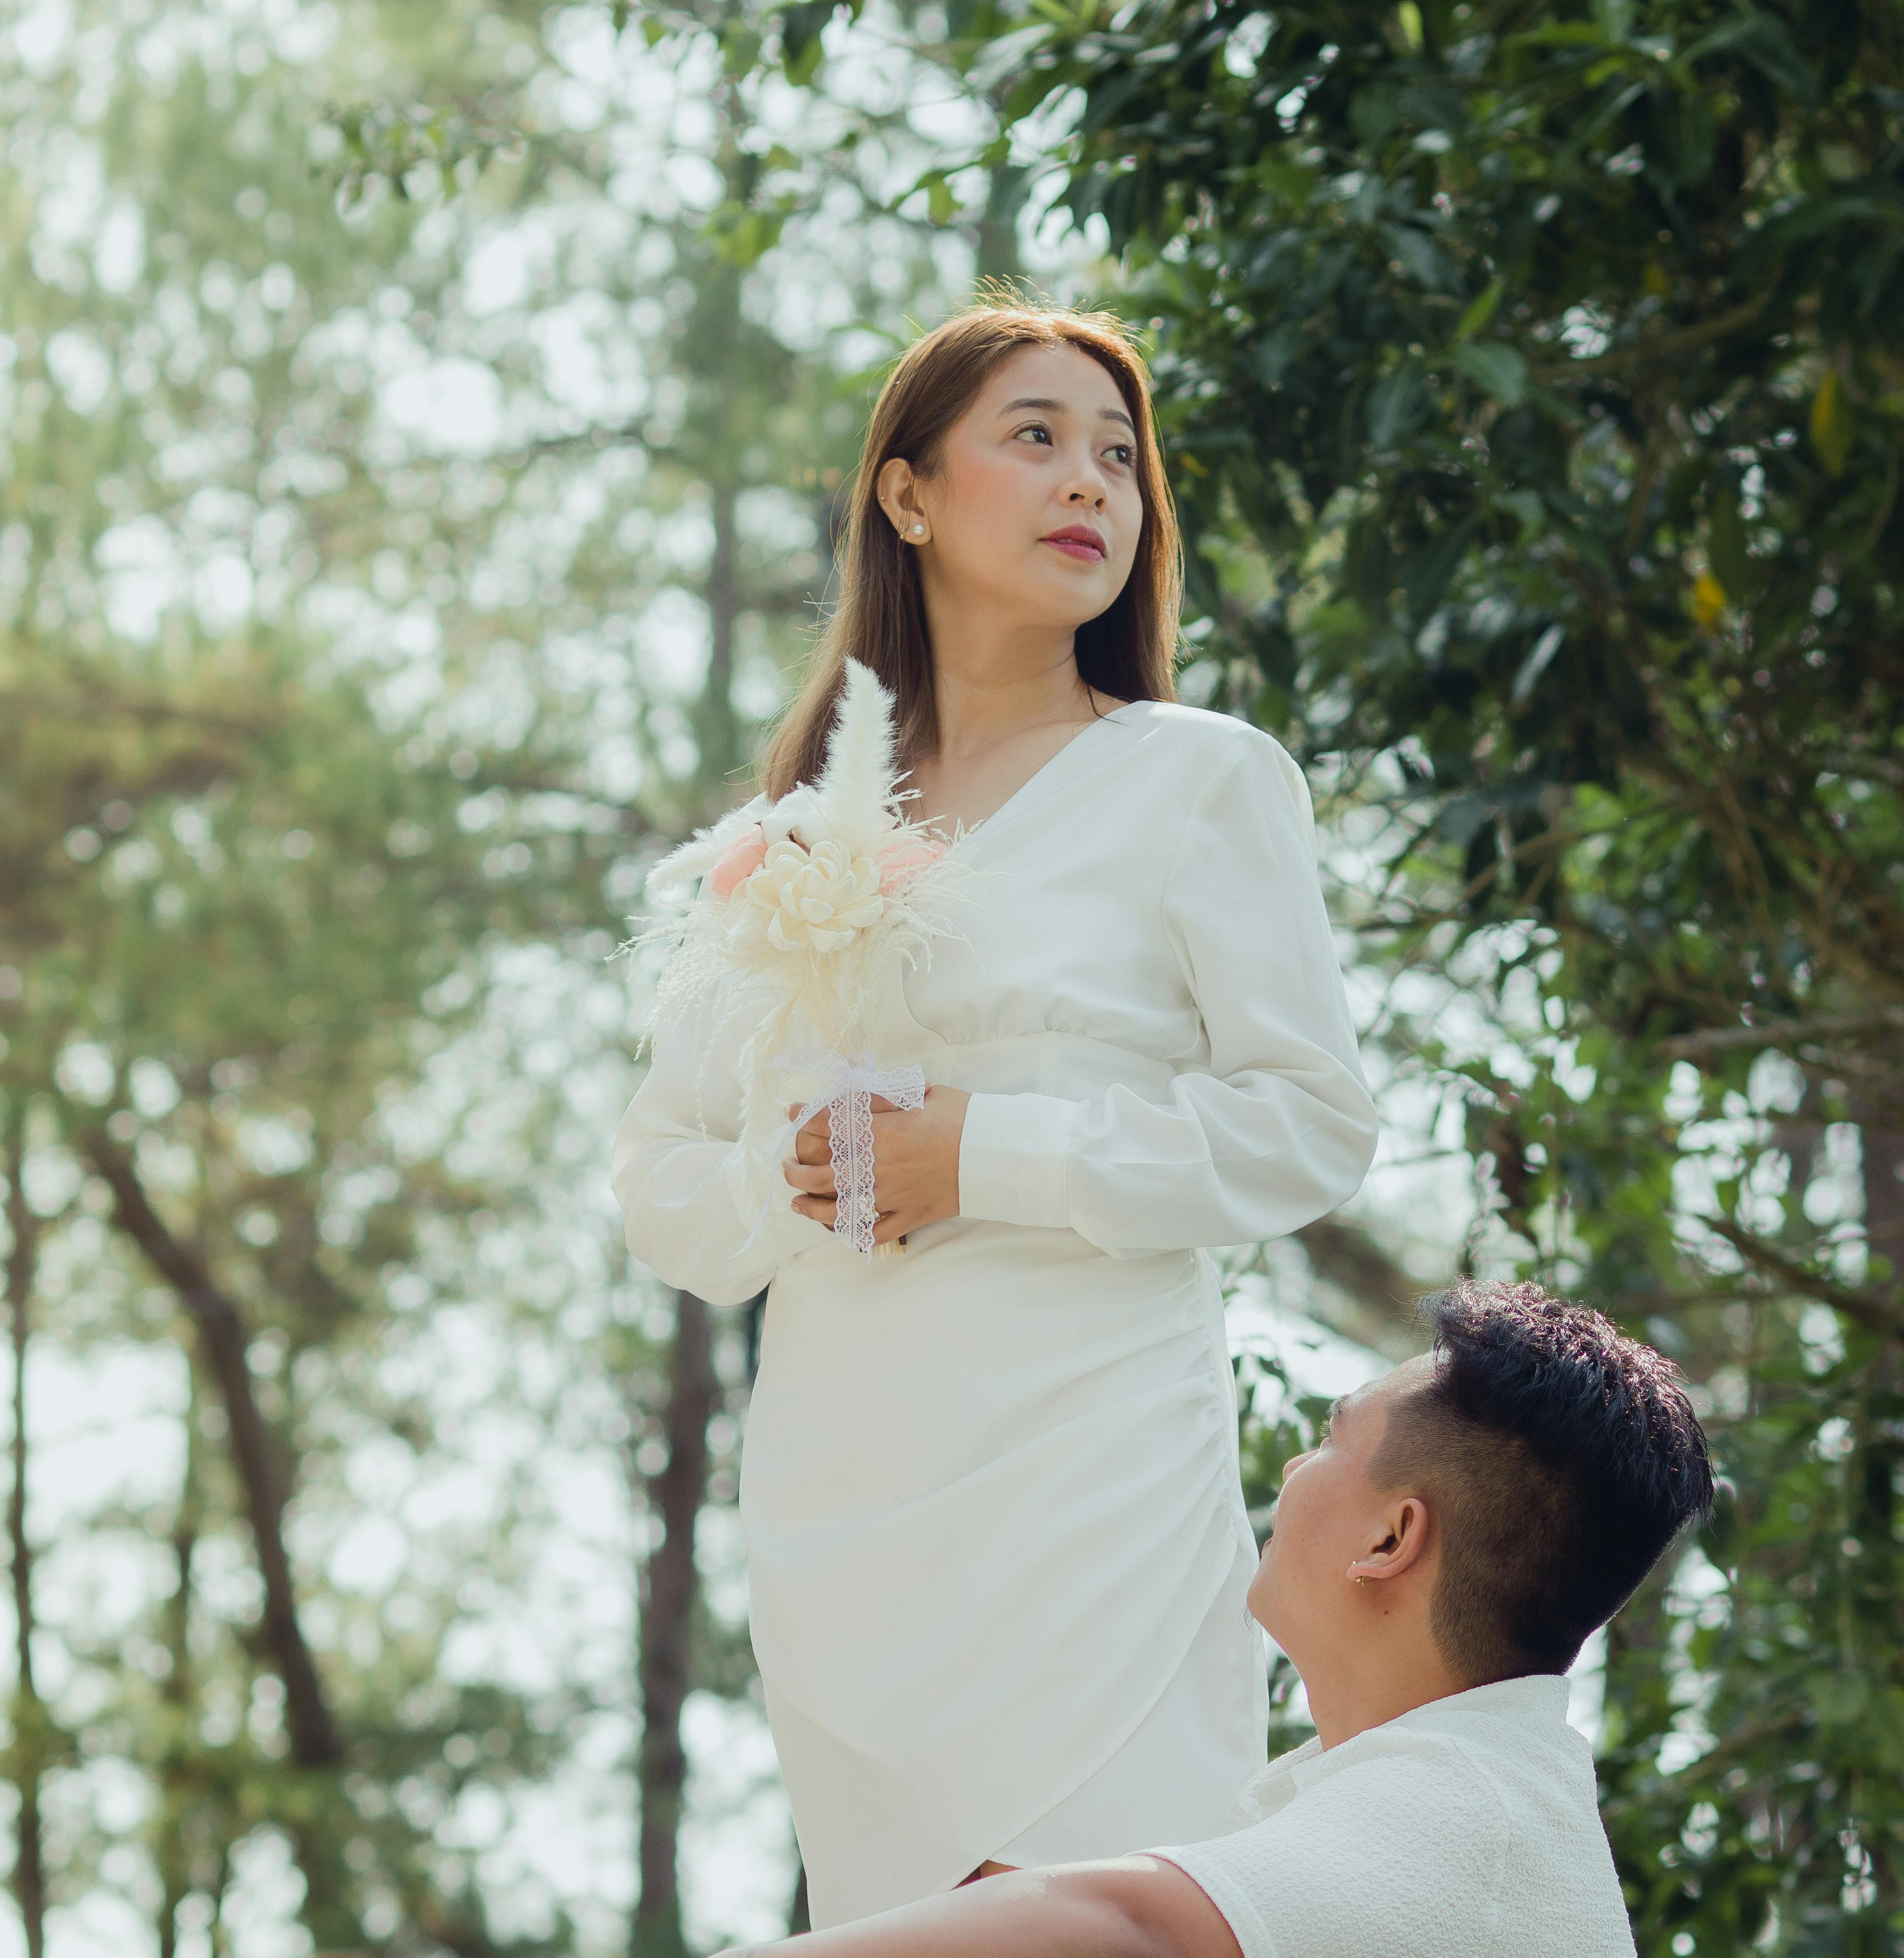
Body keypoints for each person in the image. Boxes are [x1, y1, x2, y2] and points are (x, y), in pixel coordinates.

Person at [610, 301, 1379, 1928]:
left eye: (1119, 454)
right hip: (849, 1504)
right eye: (1034, 436)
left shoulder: (1200, 778)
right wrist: (792, 1178)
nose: (1089, 482)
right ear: (906, 494)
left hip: (1096, 1475)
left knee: (1101, 1915)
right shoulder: (789, 835)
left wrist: (989, 1155)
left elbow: (1311, 1127)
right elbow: (661, 1180)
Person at [708, 1278, 1716, 1958]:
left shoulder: (1471, 1812)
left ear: (1390, 1536)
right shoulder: (1462, 1791)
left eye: (1330, 1438)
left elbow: (1124, 1920)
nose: (1290, 1467)